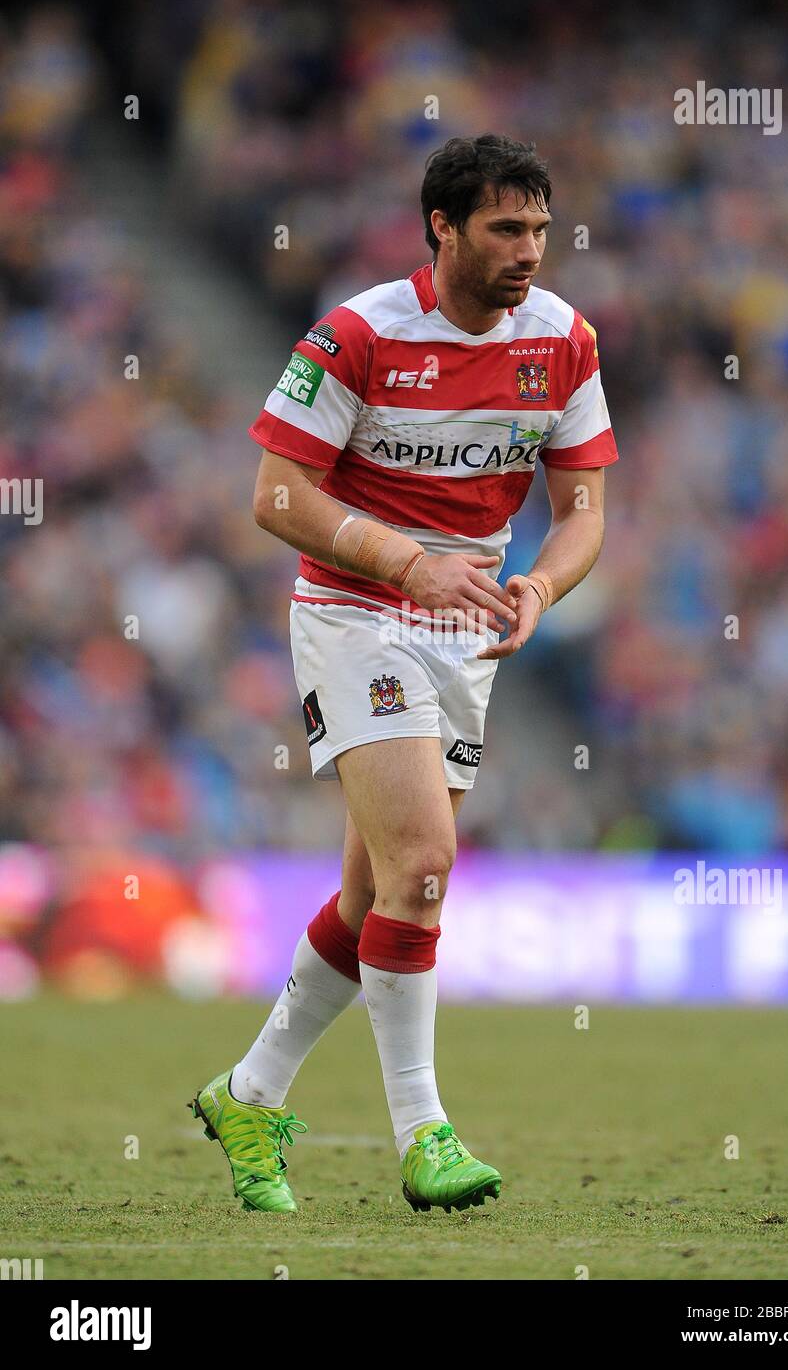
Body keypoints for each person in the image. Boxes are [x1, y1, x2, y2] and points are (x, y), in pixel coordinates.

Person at [190, 133, 617, 1214]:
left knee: (376, 890)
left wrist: (541, 587)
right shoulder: (357, 337)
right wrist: (403, 560)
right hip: (356, 613)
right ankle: (423, 1133)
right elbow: (274, 496)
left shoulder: (562, 341)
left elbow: (583, 513)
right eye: (503, 228)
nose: (527, 249)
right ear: (442, 227)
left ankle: (250, 1092)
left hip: (466, 627)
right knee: (425, 861)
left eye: (537, 228)